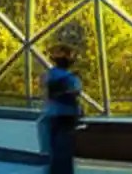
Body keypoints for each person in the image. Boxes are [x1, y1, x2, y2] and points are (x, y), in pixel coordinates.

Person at [41, 45, 82, 174]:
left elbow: (46, 91)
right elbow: (76, 92)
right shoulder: (72, 78)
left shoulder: (49, 75)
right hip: (67, 115)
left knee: (54, 148)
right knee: (65, 149)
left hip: (52, 114)